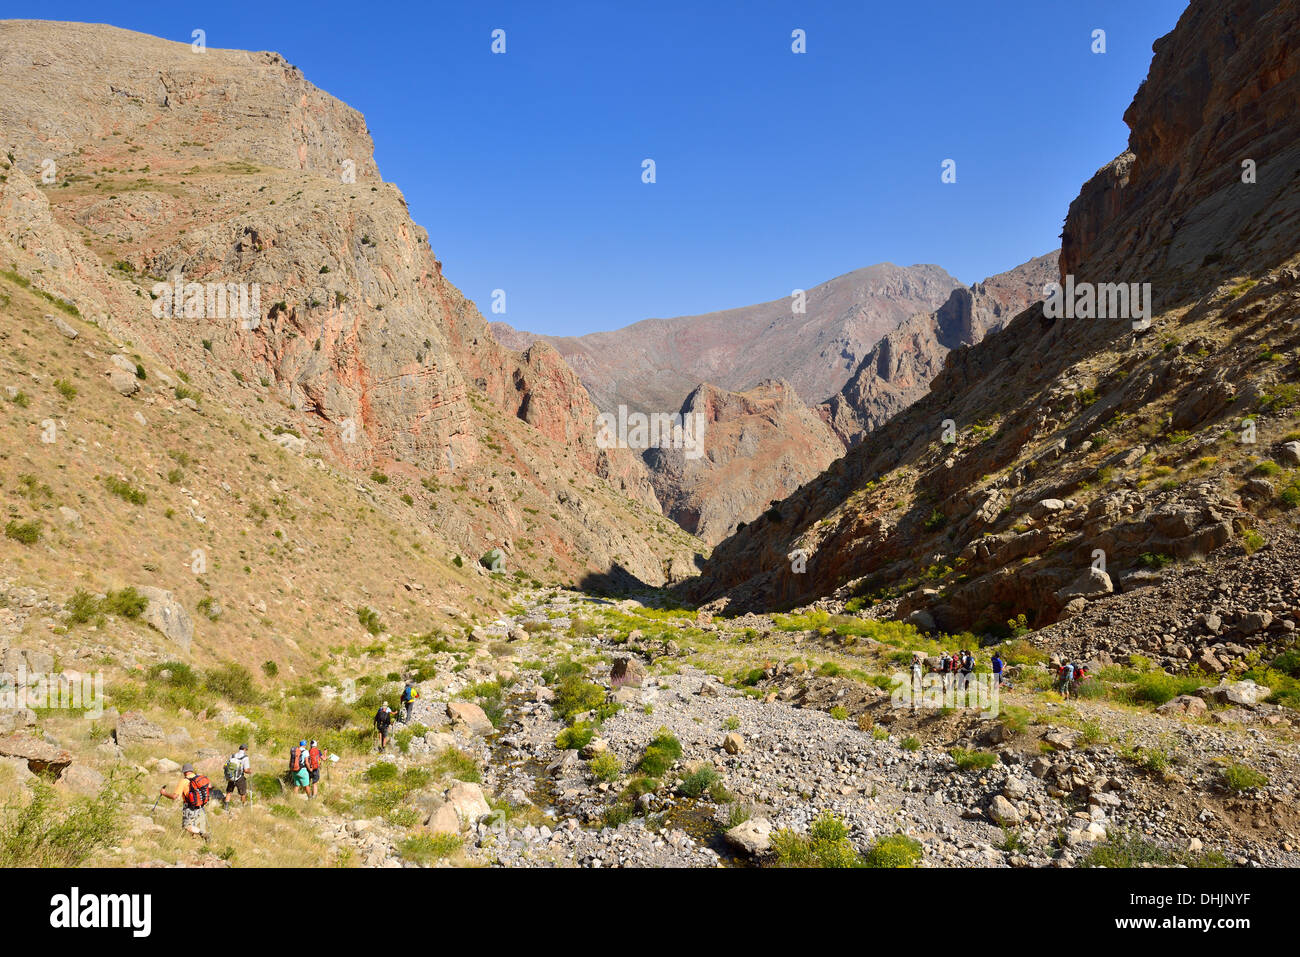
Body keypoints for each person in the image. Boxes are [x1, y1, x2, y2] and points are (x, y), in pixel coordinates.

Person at [160, 763, 211, 840]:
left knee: (186, 826)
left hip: (189, 807)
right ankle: (193, 841)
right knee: (193, 824)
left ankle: (203, 833)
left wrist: (164, 793)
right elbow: (209, 786)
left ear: (184, 771)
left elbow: (174, 797)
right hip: (200, 805)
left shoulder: (184, 781)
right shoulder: (199, 778)